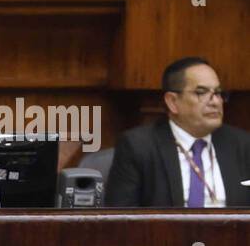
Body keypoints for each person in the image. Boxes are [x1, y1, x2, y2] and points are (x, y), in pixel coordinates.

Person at [105, 56, 250, 207]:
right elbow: (122, 219)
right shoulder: (139, 147)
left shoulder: (242, 146)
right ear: (172, 102)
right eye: (201, 92)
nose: (215, 102)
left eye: (218, 93)